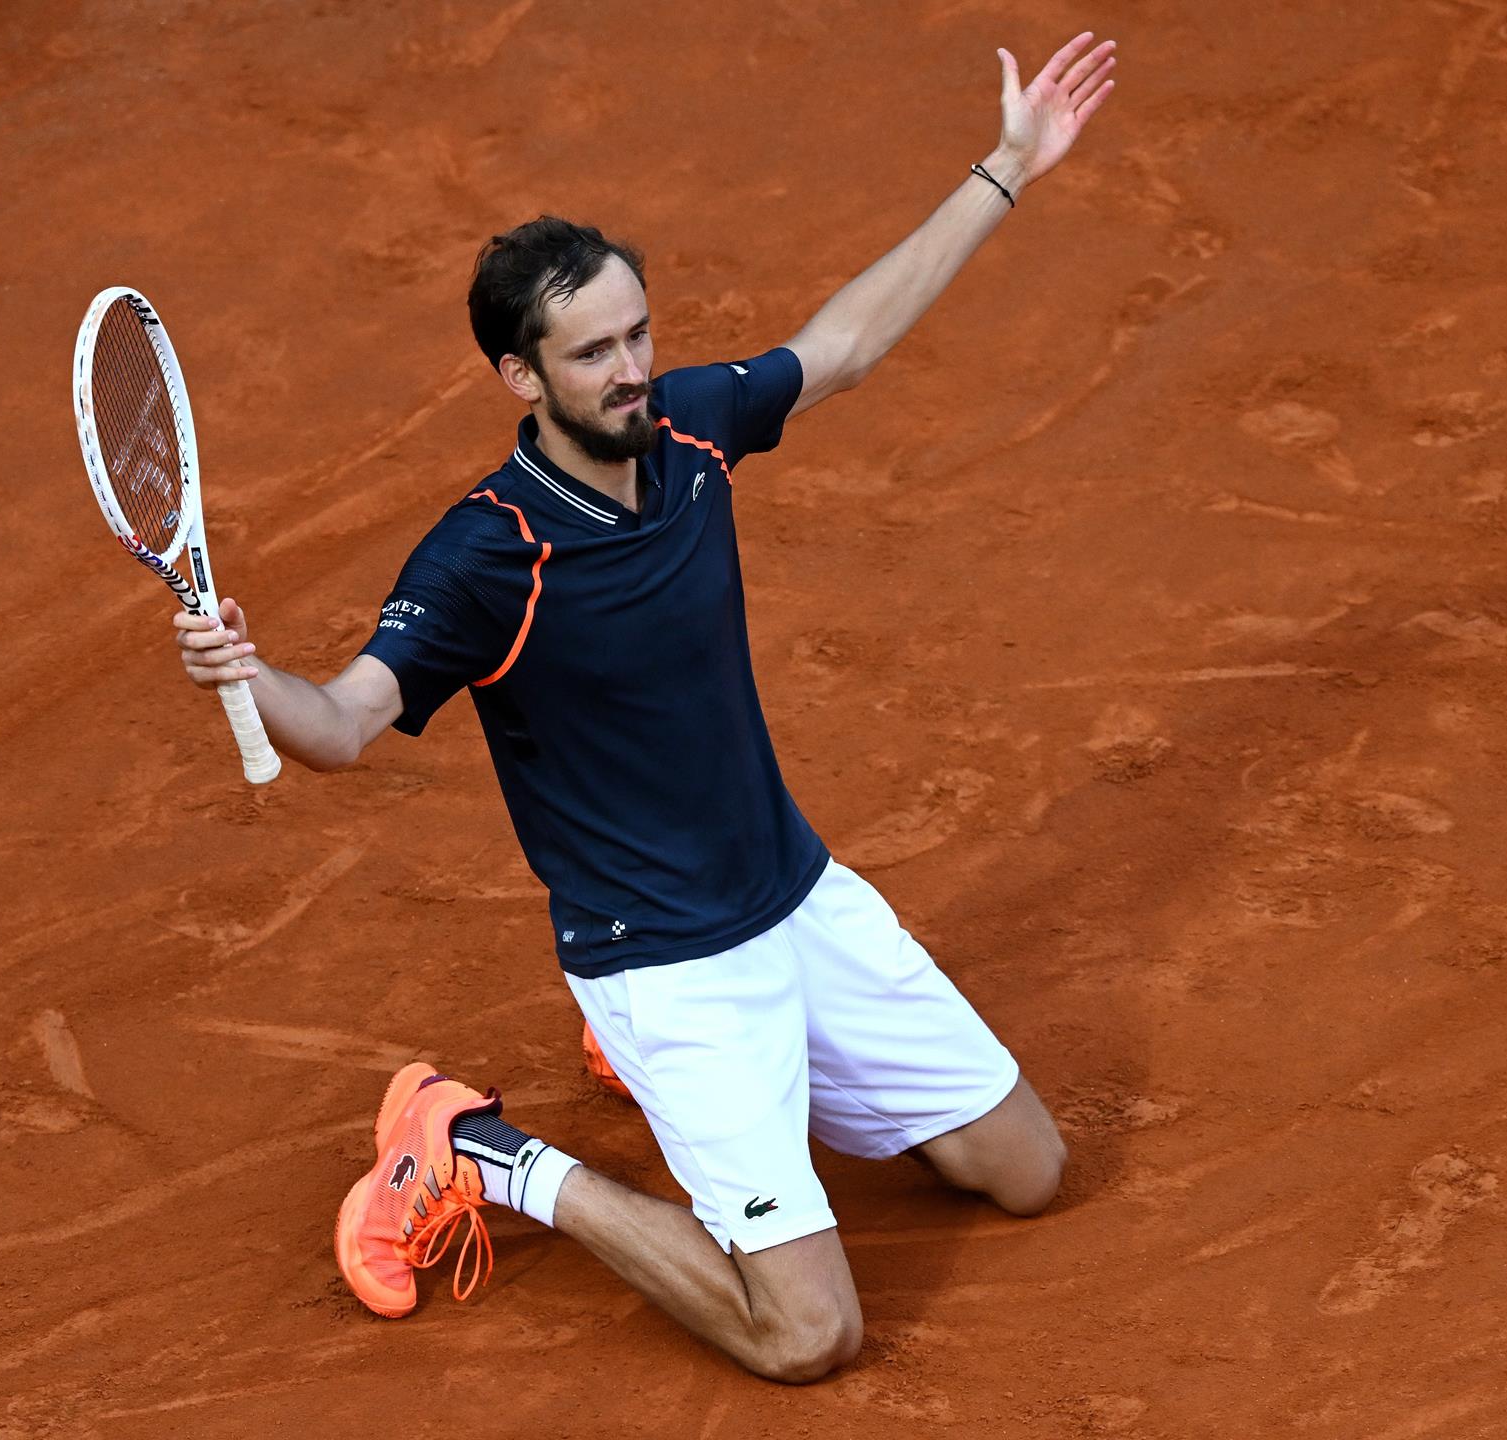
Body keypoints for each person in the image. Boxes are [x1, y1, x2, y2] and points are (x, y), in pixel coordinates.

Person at [173, 32, 1117, 1383]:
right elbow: (338, 722)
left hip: (792, 894)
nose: (630, 370)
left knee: (1027, 1170)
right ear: (521, 379)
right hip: (664, 960)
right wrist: (246, 675)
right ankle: (484, 1153)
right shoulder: (484, 560)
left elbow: (840, 344)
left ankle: (682, 1082)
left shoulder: (685, 433)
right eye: (594, 354)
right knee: (808, 1336)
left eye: (637, 335)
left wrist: (1007, 168)